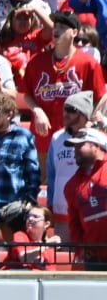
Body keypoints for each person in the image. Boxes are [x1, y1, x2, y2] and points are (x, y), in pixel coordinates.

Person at [20, 12, 106, 162]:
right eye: (55, 26)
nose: (56, 30)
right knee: (45, 182)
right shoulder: (36, 61)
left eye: (62, 26)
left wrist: (90, 118)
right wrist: (37, 110)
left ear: (74, 32)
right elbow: (26, 93)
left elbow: (102, 94)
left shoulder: (87, 63)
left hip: (76, 138)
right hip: (43, 137)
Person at [63, 126, 107, 269]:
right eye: (74, 146)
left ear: (96, 146)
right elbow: (73, 222)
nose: (75, 150)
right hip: (94, 257)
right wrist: (81, 247)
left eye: (80, 145)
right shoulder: (71, 186)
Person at [46, 91, 95, 220]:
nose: (65, 114)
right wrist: (50, 204)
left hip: (89, 211)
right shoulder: (56, 137)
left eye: (71, 110)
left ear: (83, 114)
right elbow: (51, 176)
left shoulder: (96, 139)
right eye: (65, 109)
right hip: (61, 210)